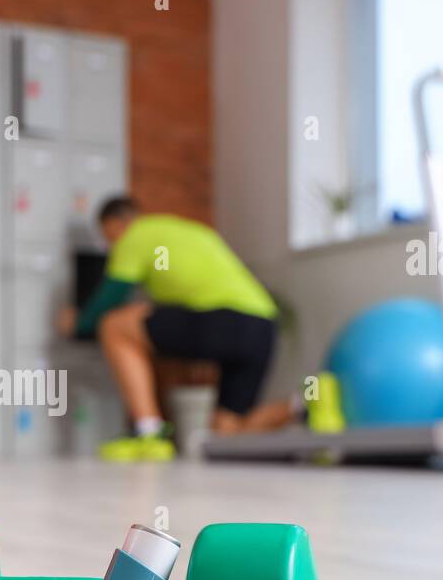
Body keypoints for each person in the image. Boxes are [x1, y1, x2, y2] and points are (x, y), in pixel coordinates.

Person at [58, 196, 297, 461]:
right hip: (263, 327)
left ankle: (149, 433)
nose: (109, 244)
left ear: (116, 223)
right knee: (226, 434)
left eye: (108, 236)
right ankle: (303, 405)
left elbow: (110, 299)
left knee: (114, 325)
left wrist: (77, 324)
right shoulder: (188, 230)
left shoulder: (135, 236)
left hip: (225, 319)